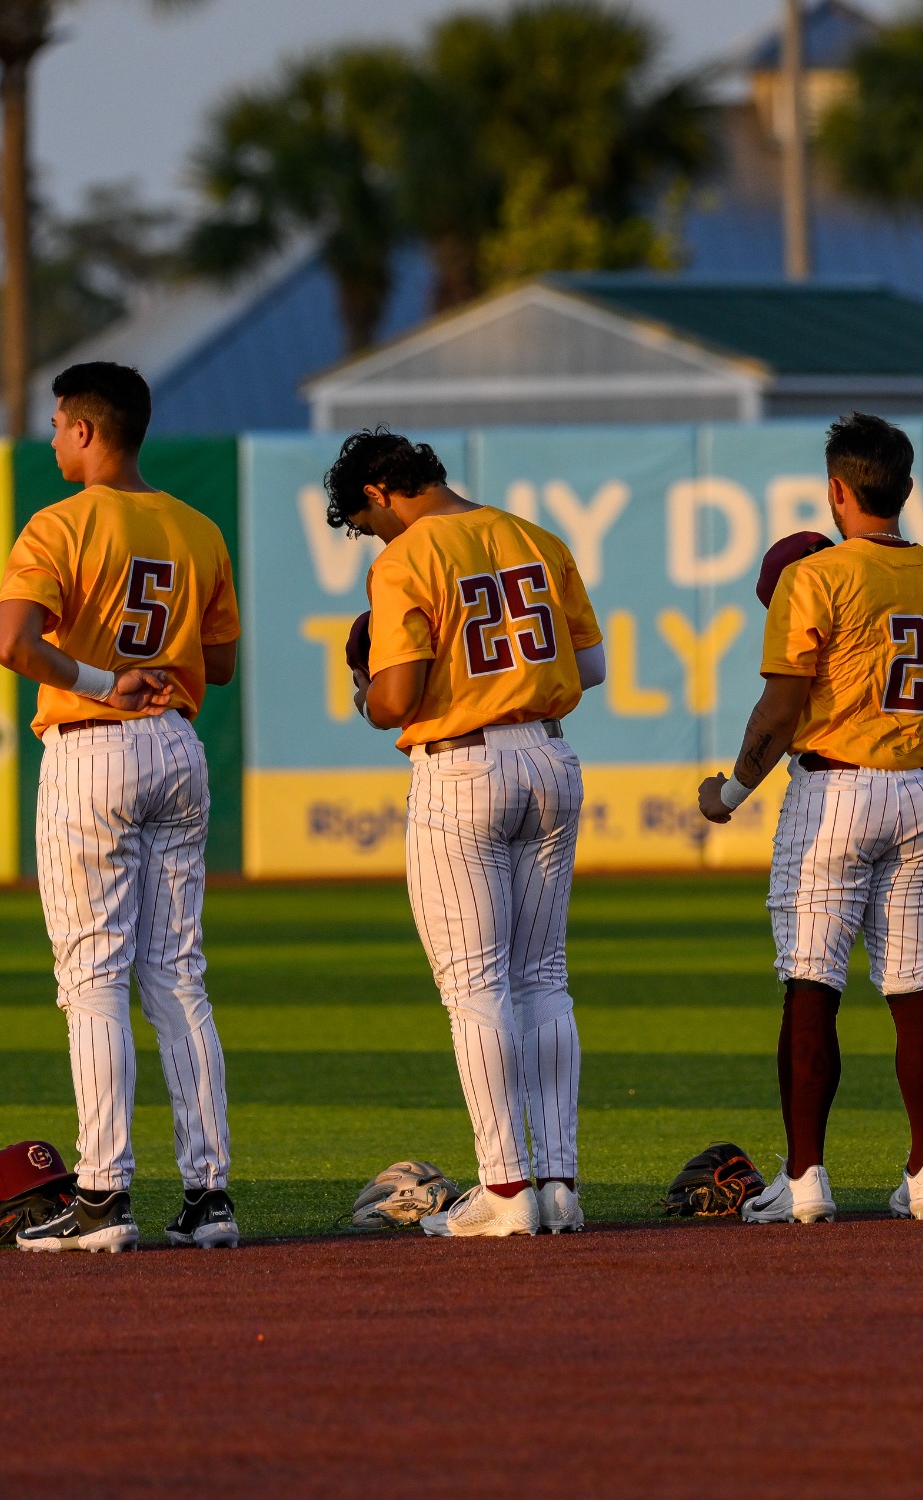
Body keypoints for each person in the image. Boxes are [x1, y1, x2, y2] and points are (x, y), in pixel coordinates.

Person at [698, 412, 923, 1224]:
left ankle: (807, 1179)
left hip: (834, 788)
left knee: (811, 985)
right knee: (916, 984)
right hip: (918, 790)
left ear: (837, 490)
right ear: (907, 489)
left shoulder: (814, 575)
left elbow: (779, 708)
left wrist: (733, 792)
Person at [331, 429, 606, 1238]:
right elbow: (588, 670)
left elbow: (396, 697)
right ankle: (558, 1186)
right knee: (544, 977)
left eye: (363, 519)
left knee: (476, 986)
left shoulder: (405, 557)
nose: (369, 535)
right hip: (551, 756)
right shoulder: (535, 536)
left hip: (464, 767)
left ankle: (506, 1190)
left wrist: (364, 691)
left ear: (381, 491)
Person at [0, 361, 241, 1251]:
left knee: (92, 979)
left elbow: (12, 642)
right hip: (177, 746)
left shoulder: (59, 524)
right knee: (178, 976)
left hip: (94, 745)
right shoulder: (198, 527)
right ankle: (210, 1199)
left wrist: (99, 677)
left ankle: (102, 1198)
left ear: (89, 431)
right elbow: (221, 667)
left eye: (59, 424)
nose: (54, 438)